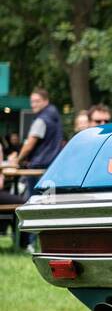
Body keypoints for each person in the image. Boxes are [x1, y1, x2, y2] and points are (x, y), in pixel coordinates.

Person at [2, 87, 64, 250]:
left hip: (37, 169)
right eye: (32, 101)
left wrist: (18, 159)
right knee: (49, 206)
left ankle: (29, 242)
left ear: (45, 101)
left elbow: (29, 144)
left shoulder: (41, 120)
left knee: (34, 206)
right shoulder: (55, 117)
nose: (33, 104)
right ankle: (49, 243)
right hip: (52, 168)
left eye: (37, 101)